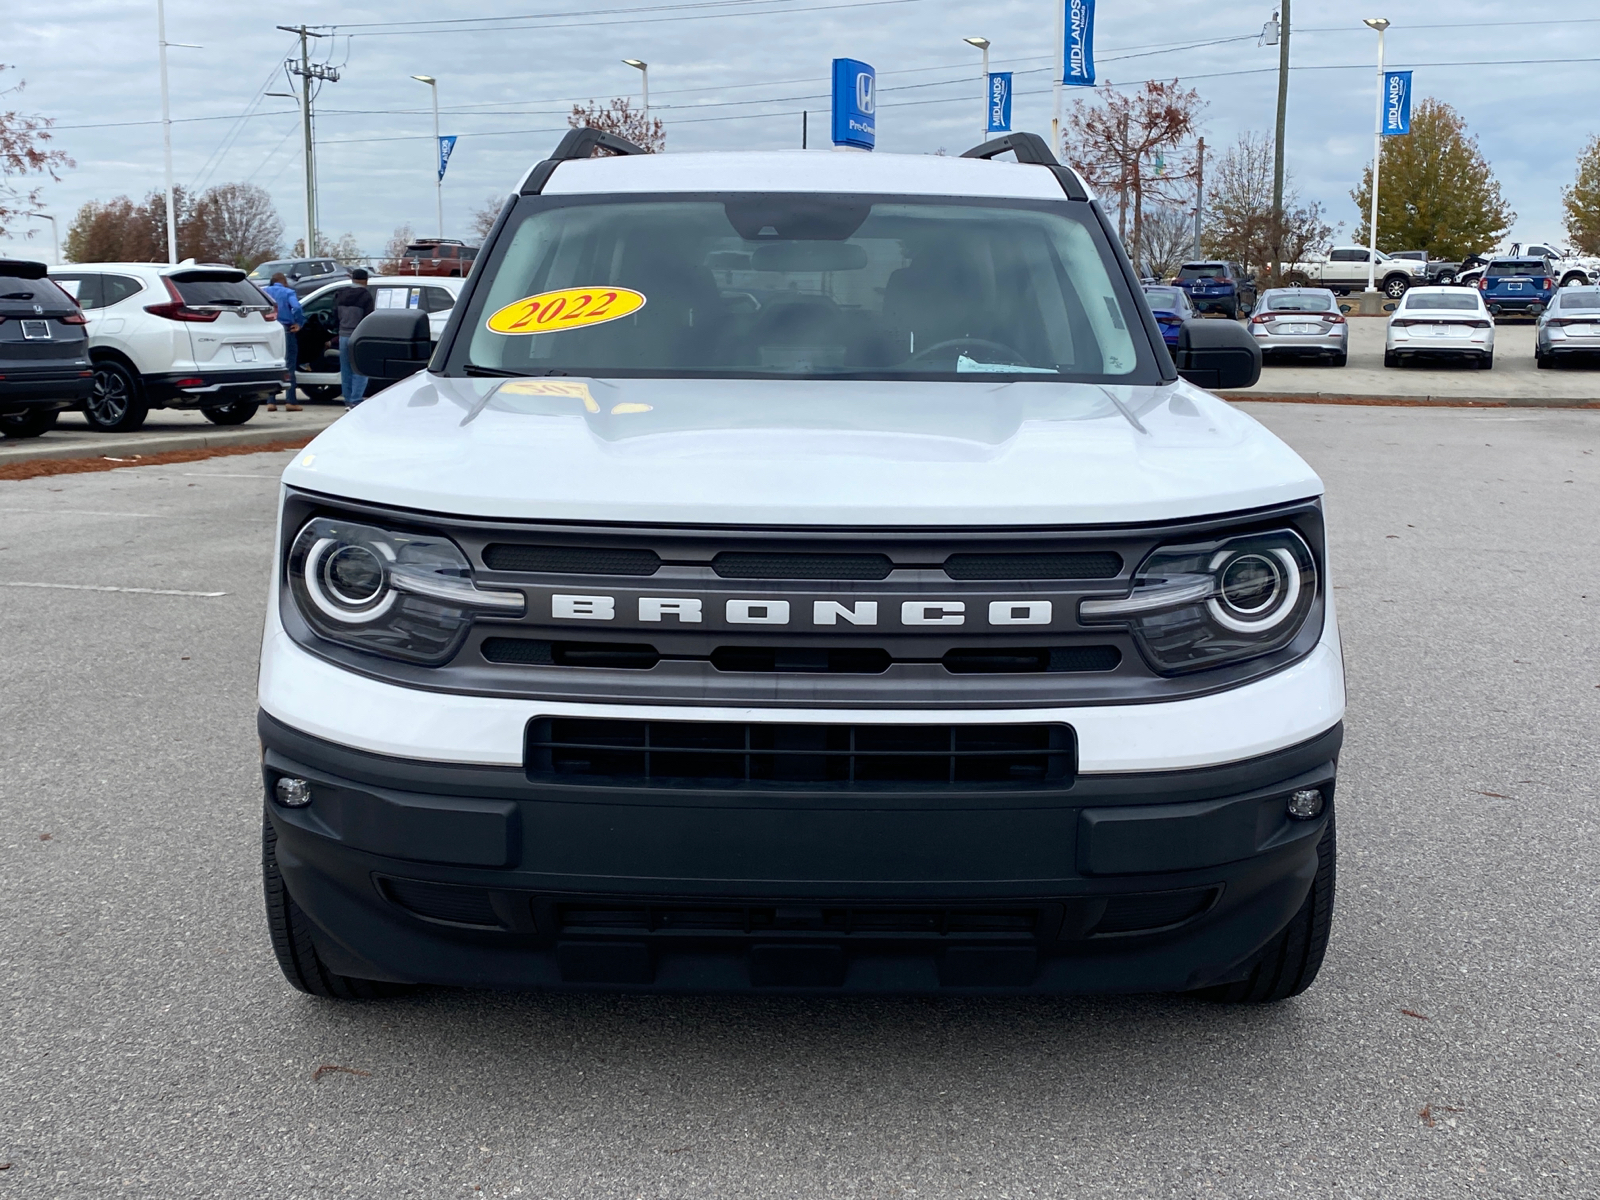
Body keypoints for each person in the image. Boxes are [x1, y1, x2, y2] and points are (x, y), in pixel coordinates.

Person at [261, 271, 304, 412]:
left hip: (268, 330)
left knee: (272, 364)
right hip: (286, 330)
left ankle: (271, 401)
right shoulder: (288, 292)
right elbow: (297, 307)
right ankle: (290, 401)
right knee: (289, 364)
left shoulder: (263, 292)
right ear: (284, 282)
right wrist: (299, 322)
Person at [335, 268, 376, 407]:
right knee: (359, 369)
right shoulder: (366, 296)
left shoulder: (341, 294)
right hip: (359, 337)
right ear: (366, 280)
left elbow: (334, 315)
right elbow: (369, 318)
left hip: (342, 336)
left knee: (345, 369)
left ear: (352, 279)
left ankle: (347, 400)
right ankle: (356, 400)